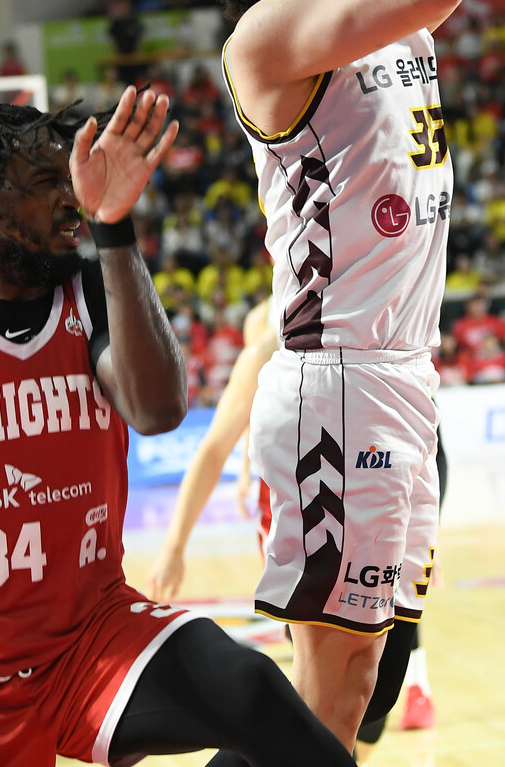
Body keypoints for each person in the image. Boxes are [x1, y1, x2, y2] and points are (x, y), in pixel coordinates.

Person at [171, 0, 505, 753]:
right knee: (324, 700)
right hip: (332, 386)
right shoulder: (268, 34)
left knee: (353, 694)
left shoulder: (375, 12)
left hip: (397, 378)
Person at [0, 90, 357, 767]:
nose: (71, 200)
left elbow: (157, 410)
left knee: (251, 691)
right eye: (51, 182)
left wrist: (114, 226)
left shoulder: (86, 292)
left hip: (90, 636)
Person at [148, 295, 445, 761]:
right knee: (328, 702)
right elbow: (211, 450)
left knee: (365, 705)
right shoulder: (272, 344)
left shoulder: (383, 326)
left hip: (369, 495)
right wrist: (174, 544)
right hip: (312, 523)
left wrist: (421, 535)